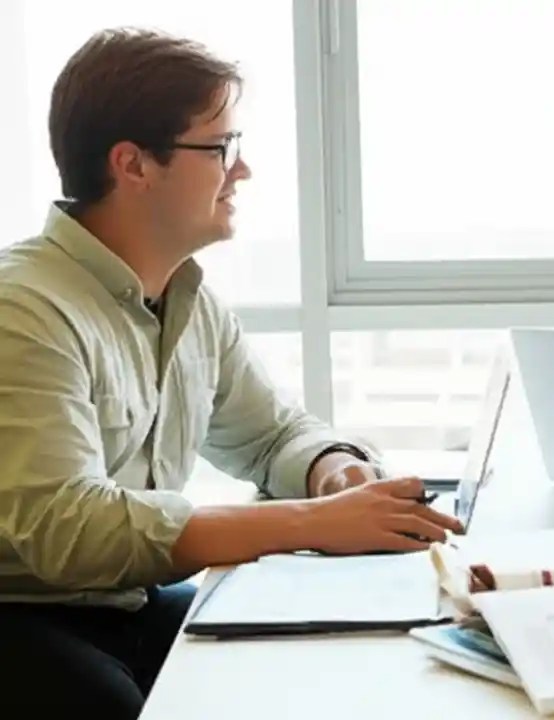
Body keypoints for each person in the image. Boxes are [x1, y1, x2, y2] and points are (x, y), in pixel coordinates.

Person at [0, 28, 463, 718]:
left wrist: (332, 470)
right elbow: (66, 529)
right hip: (26, 613)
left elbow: (274, 435)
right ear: (133, 164)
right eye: (220, 149)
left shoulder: (188, 300)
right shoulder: (25, 308)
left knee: (298, 668)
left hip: (123, 601)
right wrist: (312, 521)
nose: (240, 172)